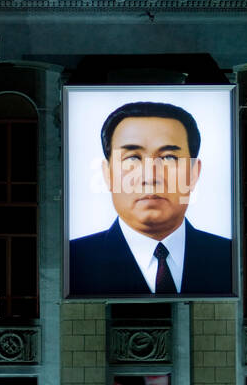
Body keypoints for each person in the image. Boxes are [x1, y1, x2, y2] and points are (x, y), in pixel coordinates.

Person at [69, 100, 233, 296]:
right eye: (132, 158)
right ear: (107, 174)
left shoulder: (230, 256)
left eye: (169, 157)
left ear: (194, 173)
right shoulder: (74, 260)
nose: (150, 177)